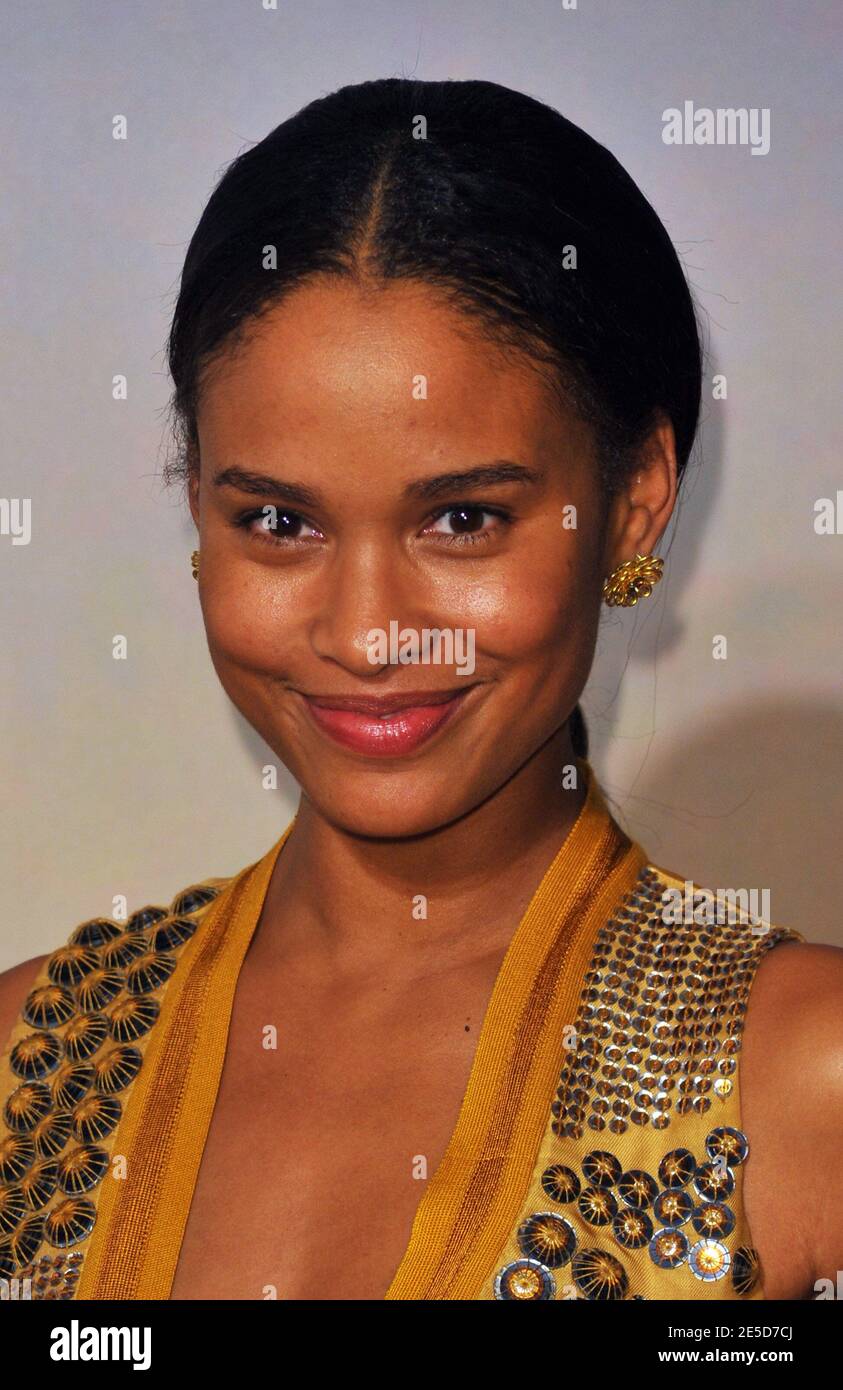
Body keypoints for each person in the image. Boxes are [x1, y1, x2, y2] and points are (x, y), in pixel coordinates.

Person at [1, 77, 841, 1303]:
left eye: (463, 518)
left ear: (636, 499)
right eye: (278, 520)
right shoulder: (29, 1060)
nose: (368, 632)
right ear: (196, 507)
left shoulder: (806, 1079)